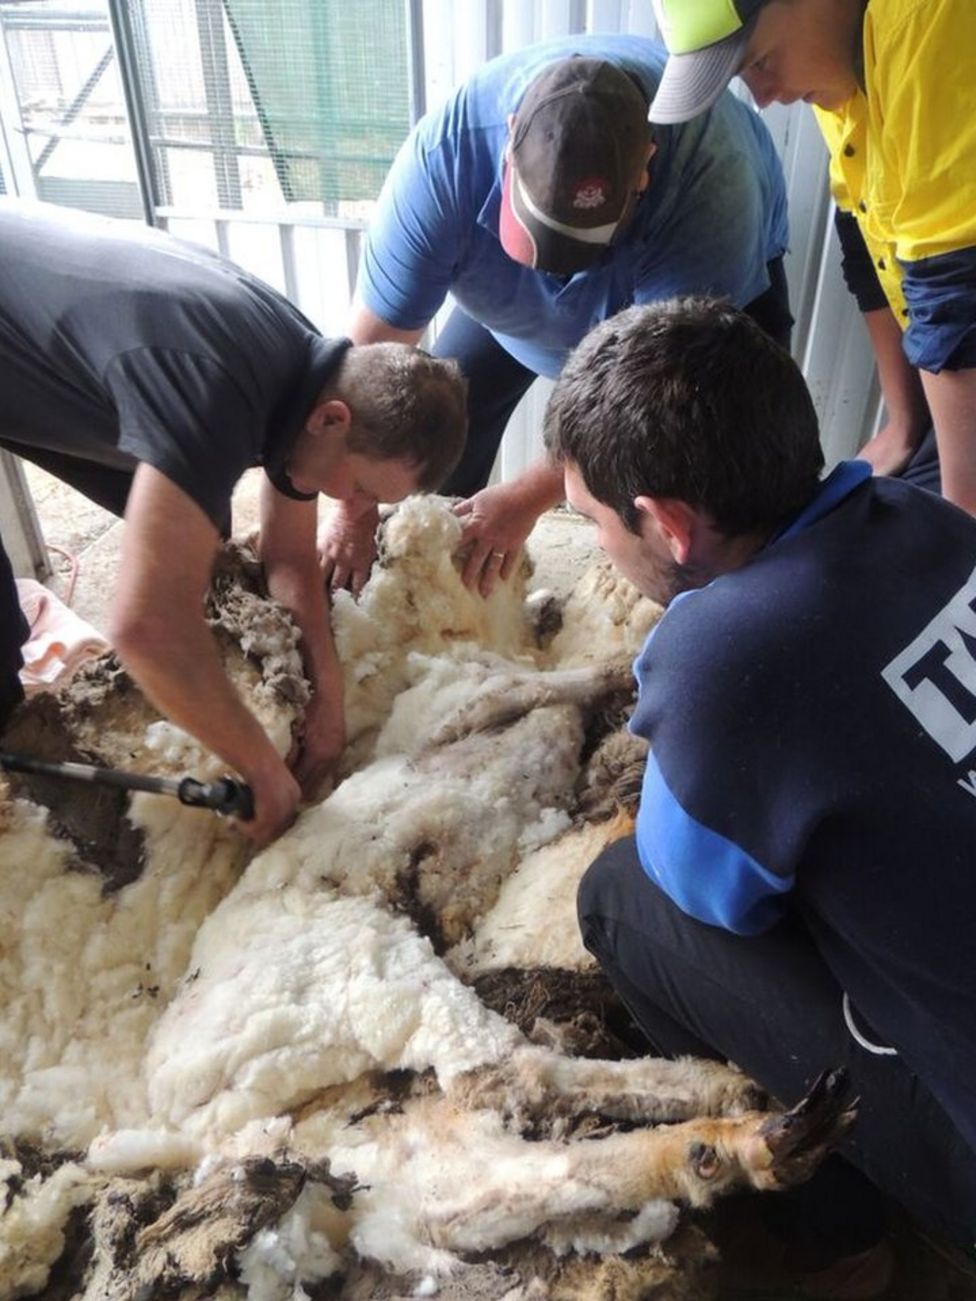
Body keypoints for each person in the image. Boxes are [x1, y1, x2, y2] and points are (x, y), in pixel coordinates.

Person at [544, 298, 976, 1290]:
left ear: (665, 522)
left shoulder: (721, 653)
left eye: (593, 523)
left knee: (621, 899)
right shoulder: (919, 513)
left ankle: (846, 1235)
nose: (599, 548)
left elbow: (705, 893)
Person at [0, 200, 466, 847]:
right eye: (356, 485)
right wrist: (260, 767)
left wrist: (328, 707)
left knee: (203, 537)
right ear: (332, 421)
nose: (346, 500)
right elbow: (146, 627)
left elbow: (289, 557)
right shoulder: (215, 394)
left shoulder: (310, 376)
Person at [321, 32, 792, 597]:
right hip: (502, 302)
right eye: (537, 233)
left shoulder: (711, 182)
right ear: (508, 144)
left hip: (674, 319)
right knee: (428, 451)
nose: (552, 275)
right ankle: (432, 585)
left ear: (645, 168)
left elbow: (647, 398)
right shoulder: (443, 162)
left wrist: (524, 499)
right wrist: (354, 504)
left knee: (719, 499)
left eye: (572, 246)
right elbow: (365, 370)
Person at [647, 0, 976, 512]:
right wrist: (904, 425)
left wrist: (962, 522)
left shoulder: (926, 22)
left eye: (760, 62)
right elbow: (864, 236)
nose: (764, 96)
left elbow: (954, 286)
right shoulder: (838, 71)